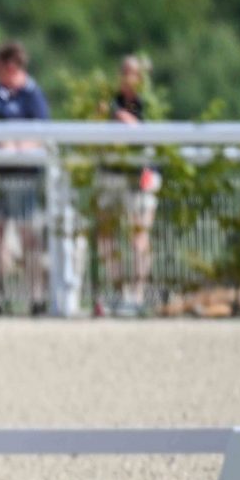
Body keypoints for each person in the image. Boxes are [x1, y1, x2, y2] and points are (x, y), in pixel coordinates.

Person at [0, 40, 50, 313]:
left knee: (27, 238)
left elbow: (43, 135)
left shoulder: (32, 96)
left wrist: (16, 146)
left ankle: (36, 296)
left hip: (22, 176)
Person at [95, 55, 160, 314]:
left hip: (140, 176)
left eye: (132, 73)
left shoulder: (149, 104)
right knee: (106, 236)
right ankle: (117, 290)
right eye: (124, 72)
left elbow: (157, 139)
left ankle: (137, 294)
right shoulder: (108, 102)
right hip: (111, 173)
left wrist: (130, 123)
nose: (127, 78)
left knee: (138, 237)